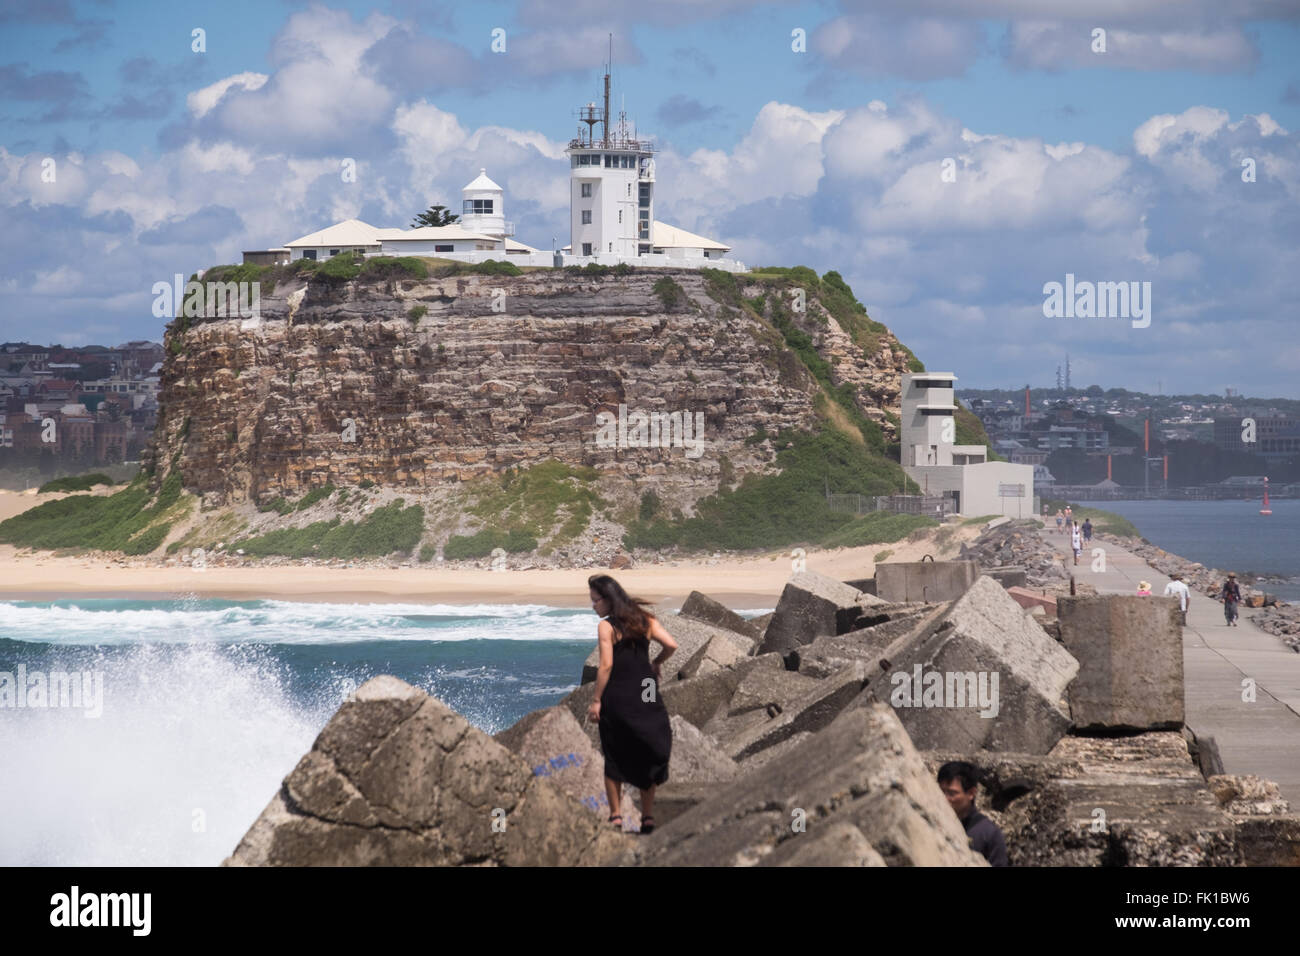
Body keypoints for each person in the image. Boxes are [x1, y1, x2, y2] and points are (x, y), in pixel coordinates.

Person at [585, 574, 677, 834]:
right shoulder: (645, 620)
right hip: (646, 692)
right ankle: (647, 818)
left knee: (614, 754)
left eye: (595, 601)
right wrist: (656, 662)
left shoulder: (606, 627)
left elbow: (606, 665)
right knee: (649, 749)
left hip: (617, 695)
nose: (593, 606)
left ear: (607, 599)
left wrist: (596, 701)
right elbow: (671, 645)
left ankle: (616, 817)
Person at [937, 761, 1009, 867]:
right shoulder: (933, 825)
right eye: (941, 792)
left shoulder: (988, 834)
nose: (944, 799)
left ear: (971, 793)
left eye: (952, 793)